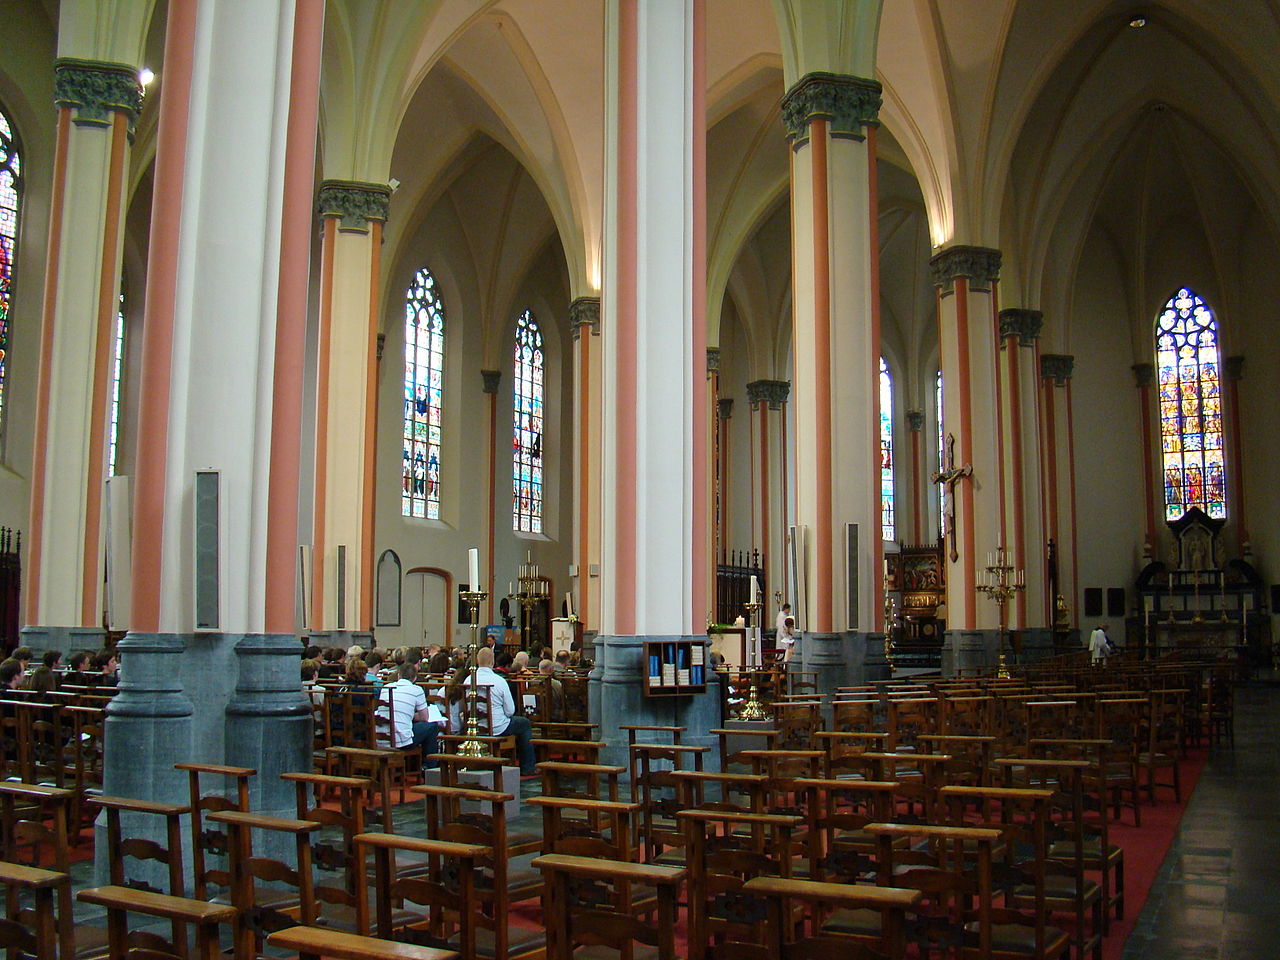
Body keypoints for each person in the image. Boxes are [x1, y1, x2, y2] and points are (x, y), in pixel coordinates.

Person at [474, 647, 536, 775]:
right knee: (524, 724)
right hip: (498, 727)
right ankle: (528, 767)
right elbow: (510, 711)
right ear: (492, 662)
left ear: (477, 661)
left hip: (476, 726)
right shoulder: (499, 681)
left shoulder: (469, 680)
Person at [377, 662, 443, 768]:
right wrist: (410, 715)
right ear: (414, 678)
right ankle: (429, 767)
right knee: (432, 727)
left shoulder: (386, 687)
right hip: (400, 741)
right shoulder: (416, 690)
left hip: (381, 738)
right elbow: (424, 718)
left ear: (399, 675)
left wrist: (407, 715)